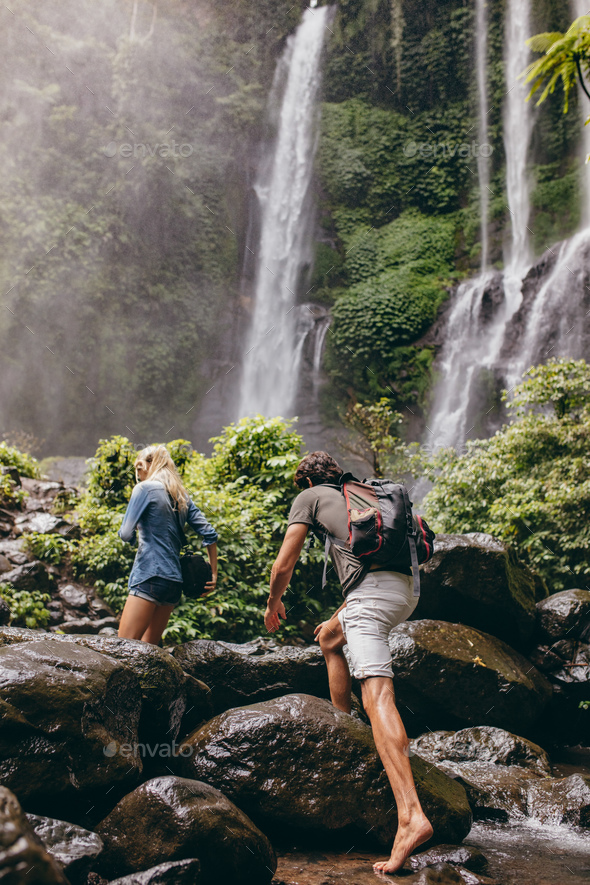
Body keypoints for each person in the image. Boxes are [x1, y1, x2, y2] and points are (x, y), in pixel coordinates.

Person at [264, 451, 433, 875]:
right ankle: (343, 723)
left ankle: (411, 815)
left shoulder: (311, 496)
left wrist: (273, 603)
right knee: (329, 635)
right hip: (406, 590)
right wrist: (343, 612)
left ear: (305, 481)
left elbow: (284, 562)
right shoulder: (363, 493)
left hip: (372, 597)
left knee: (378, 697)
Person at [118, 445, 218, 645]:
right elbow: (210, 533)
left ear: (150, 464)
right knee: (150, 650)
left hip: (149, 575)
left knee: (122, 647)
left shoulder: (143, 489)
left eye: (139, 467)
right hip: (173, 582)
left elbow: (125, 533)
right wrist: (213, 574)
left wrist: (134, 534)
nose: (138, 474)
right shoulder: (181, 495)